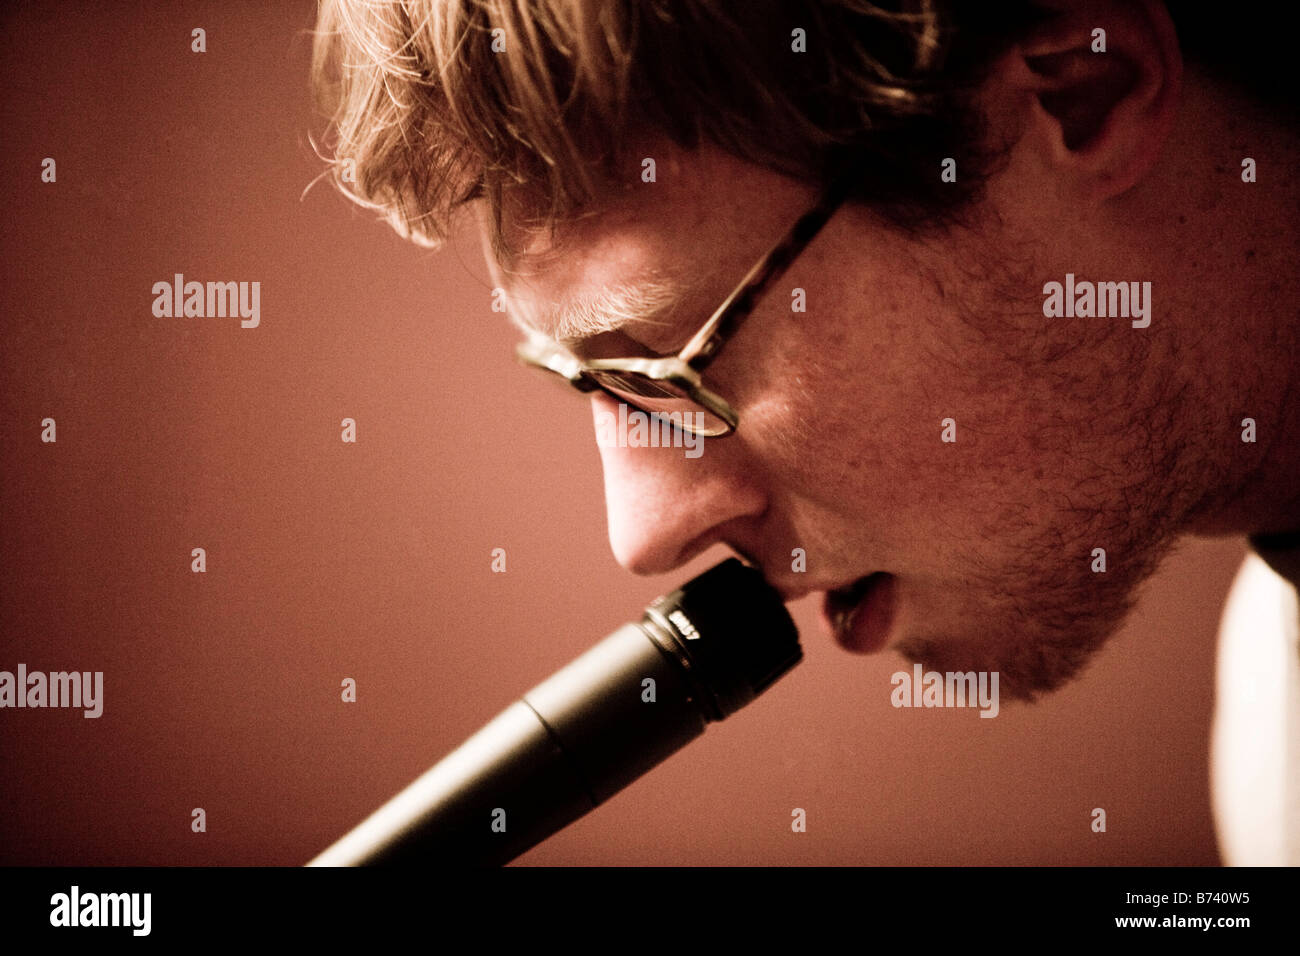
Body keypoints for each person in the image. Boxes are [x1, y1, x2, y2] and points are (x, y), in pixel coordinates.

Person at [310, 1, 1299, 863]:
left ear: (1080, 90)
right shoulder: (1272, 733)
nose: (642, 536)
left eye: (665, 356)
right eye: (589, 382)